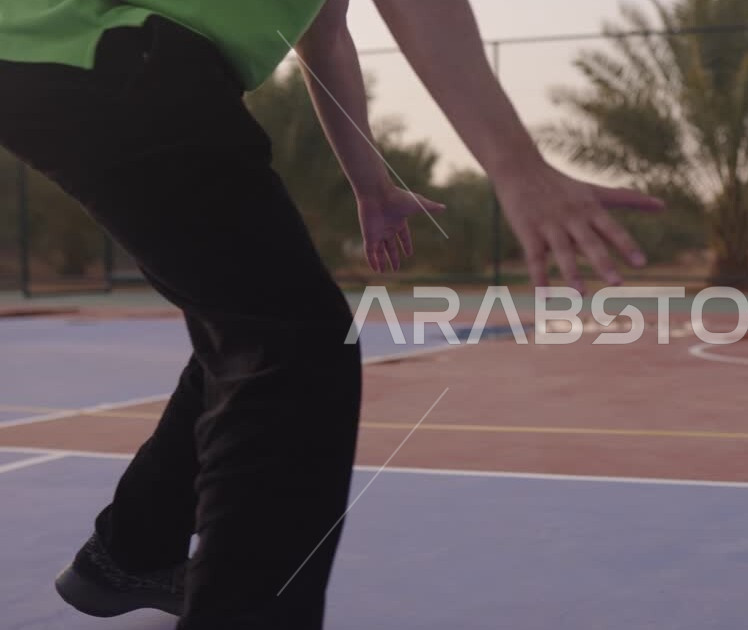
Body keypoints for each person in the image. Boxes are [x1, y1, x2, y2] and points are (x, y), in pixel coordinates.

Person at [0, 1, 663, 628]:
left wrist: (369, 182)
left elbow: (327, 31)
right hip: (110, 46)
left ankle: (132, 551)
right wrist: (519, 168)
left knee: (258, 330)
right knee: (298, 354)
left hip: (99, 53)